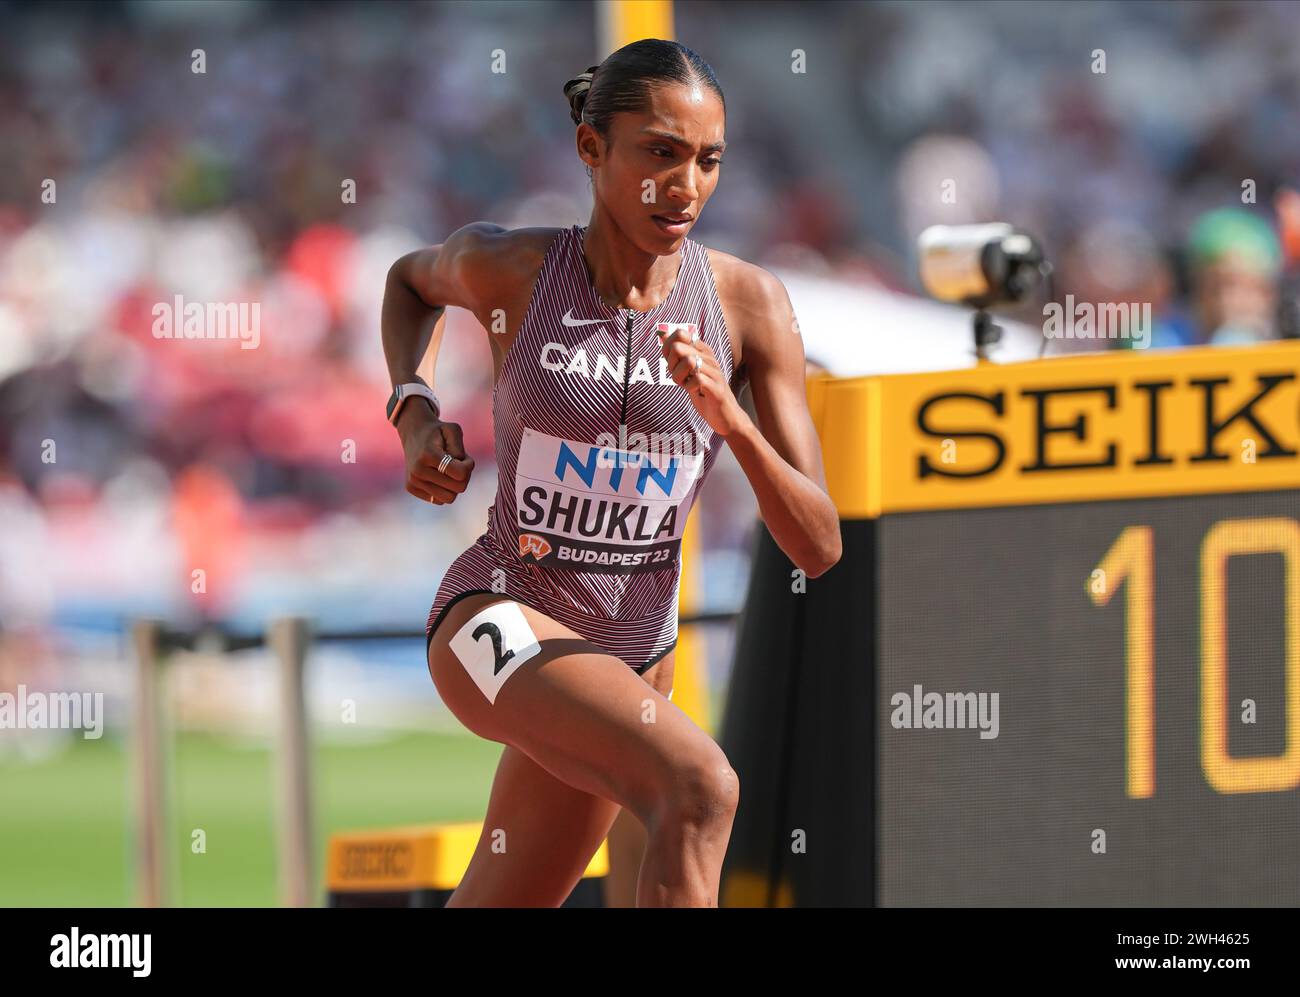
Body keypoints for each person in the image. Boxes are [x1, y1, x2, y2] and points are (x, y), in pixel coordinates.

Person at [380, 38, 841, 908]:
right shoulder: (512, 268)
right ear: (593, 150)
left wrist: (729, 417)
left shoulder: (749, 307)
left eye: (707, 160)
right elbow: (409, 284)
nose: (687, 186)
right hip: (496, 621)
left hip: (627, 668)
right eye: (660, 153)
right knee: (701, 785)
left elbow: (817, 546)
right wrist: (414, 411)